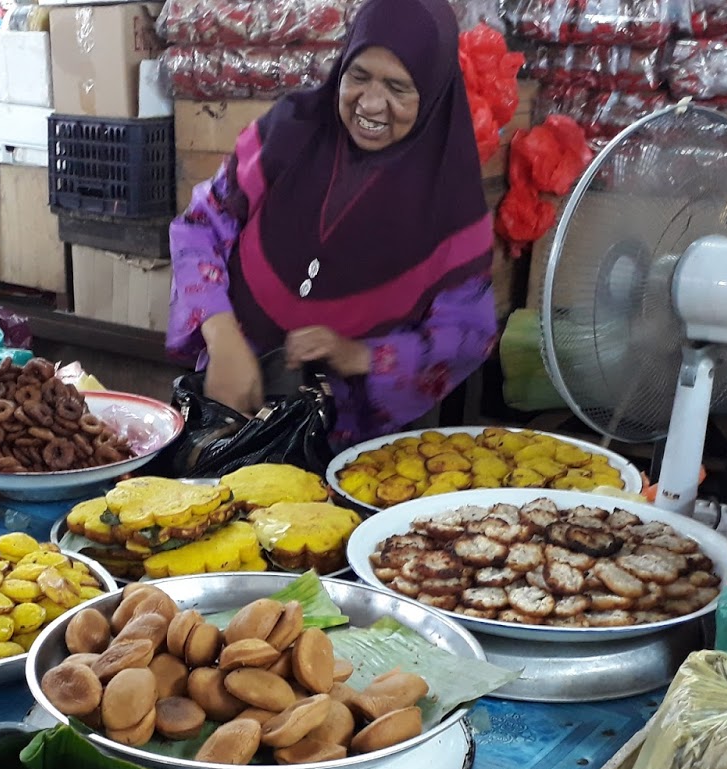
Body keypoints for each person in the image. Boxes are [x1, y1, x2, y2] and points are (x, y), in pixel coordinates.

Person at [166, 0, 496, 446]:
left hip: (344, 438)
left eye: (398, 88)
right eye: (358, 76)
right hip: (232, 402)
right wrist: (221, 333)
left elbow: (469, 334)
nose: (371, 103)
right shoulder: (289, 132)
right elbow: (200, 226)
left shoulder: (451, 200)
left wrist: (363, 356)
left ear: (434, 91)